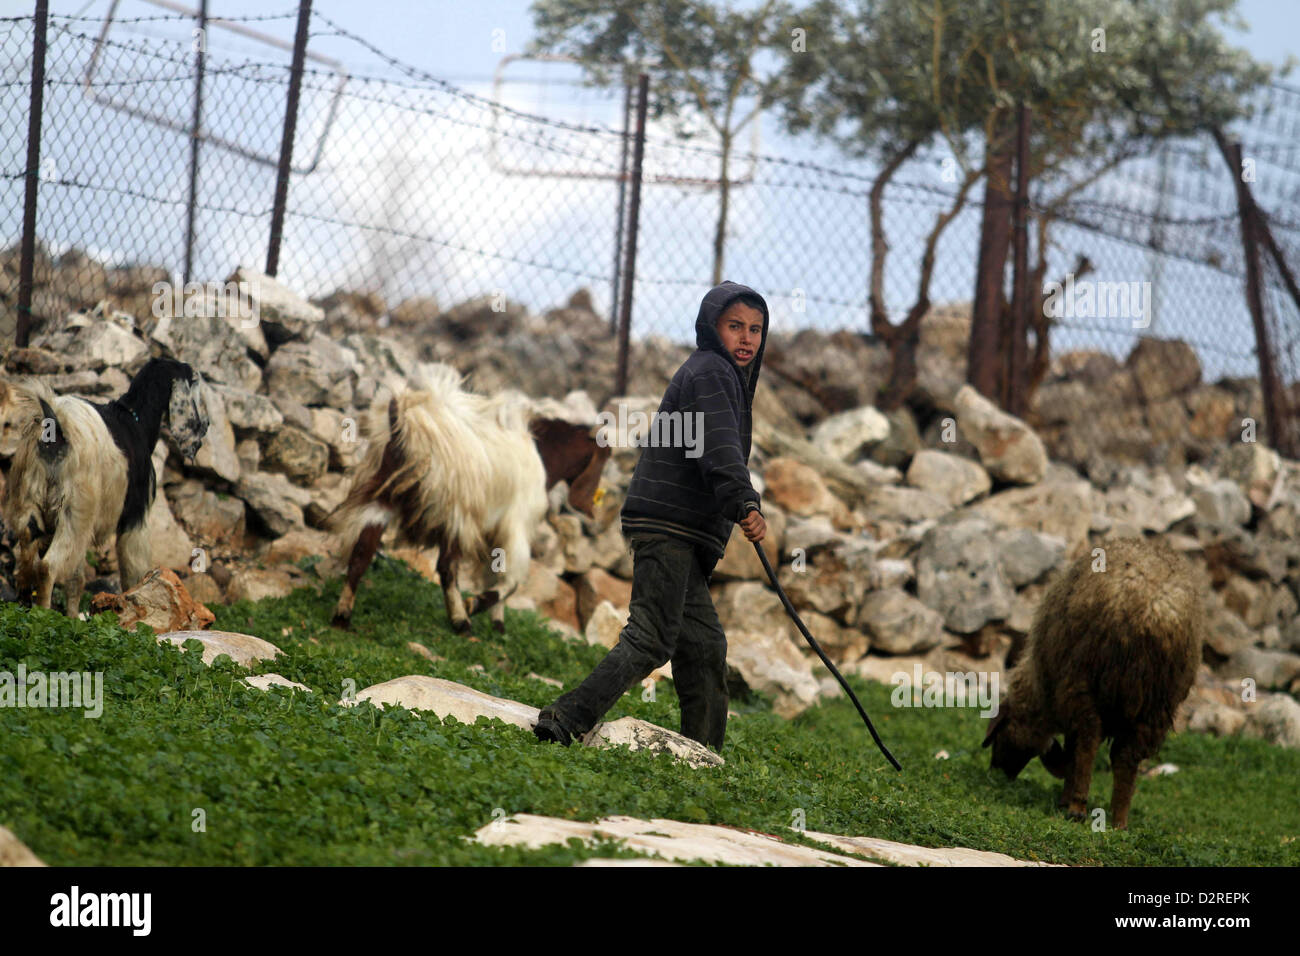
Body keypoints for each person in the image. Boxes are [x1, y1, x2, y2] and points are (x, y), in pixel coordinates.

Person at [534, 280, 768, 751]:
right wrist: (745, 501)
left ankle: (701, 756)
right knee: (651, 639)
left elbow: (711, 446)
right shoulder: (712, 373)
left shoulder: (720, 376)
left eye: (756, 329)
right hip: (669, 526)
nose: (746, 338)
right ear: (710, 327)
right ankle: (565, 718)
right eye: (735, 326)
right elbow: (720, 448)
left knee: (703, 647)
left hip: (677, 527)